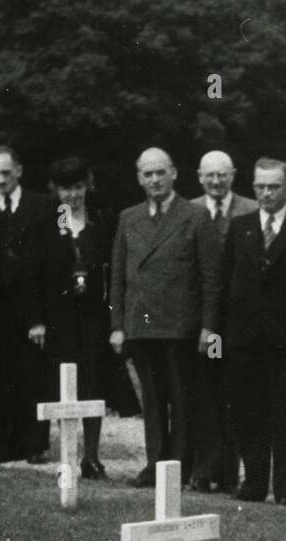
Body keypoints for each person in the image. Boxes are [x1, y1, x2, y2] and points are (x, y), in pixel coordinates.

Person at [109, 147, 220, 488]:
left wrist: (208, 327)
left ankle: (183, 465)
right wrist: (117, 326)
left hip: (181, 326)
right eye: (147, 174)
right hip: (141, 326)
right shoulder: (129, 217)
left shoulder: (196, 215)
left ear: (174, 173)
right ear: (139, 178)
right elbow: (118, 275)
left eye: (160, 172)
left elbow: (210, 276)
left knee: (183, 399)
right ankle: (156, 463)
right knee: (153, 402)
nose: (154, 180)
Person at [219, 158, 286, 504]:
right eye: (260, 186)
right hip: (245, 337)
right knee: (249, 412)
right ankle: (254, 482)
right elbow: (225, 280)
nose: (266, 193)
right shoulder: (240, 226)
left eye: (273, 187)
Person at [0, 144, 51, 464]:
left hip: (29, 309)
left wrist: (40, 318)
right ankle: (6, 442)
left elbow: (47, 268)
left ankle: (35, 444)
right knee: (0, 379)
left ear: (18, 170)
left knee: (32, 376)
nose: (0, 180)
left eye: (5, 172)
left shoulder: (42, 206)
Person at [30, 155, 112, 478]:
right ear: (56, 191)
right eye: (66, 189)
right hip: (58, 317)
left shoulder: (102, 220)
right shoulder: (48, 223)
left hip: (93, 315)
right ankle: (67, 452)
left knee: (94, 381)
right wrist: (36, 320)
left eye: (78, 187)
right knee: (65, 384)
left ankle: (90, 456)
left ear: (87, 185)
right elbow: (33, 276)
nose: (73, 195)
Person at [189, 149, 255, 492]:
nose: (216, 181)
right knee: (207, 391)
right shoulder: (189, 210)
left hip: (238, 321)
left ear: (233, 175)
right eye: (209, 175)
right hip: (205, 325)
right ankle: (206, 467)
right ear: (200, 177)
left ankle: (231, 471)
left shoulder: (251, 210)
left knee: (235, 392)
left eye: (222, 175)